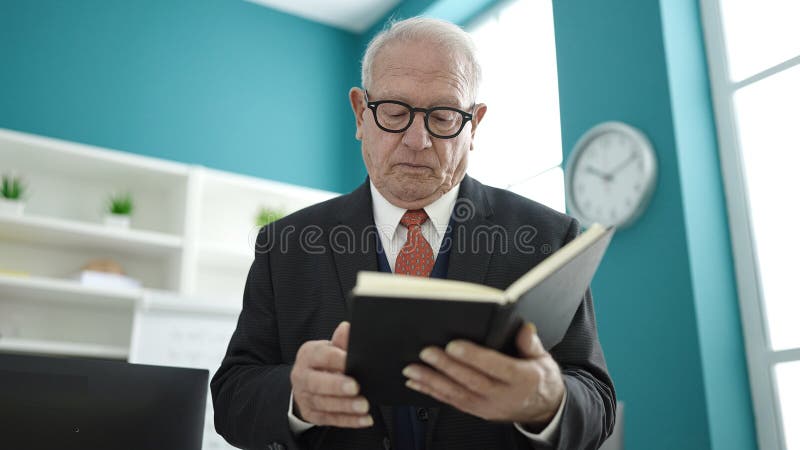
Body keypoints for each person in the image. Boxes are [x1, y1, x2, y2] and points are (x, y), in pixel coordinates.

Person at [211, 17, 615, 450]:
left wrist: (546, 402)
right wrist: (296, 397)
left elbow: (597, 400)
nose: (417, 139)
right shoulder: (284, 246)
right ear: (360, 114)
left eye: (443, 116)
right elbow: (232, 395)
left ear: (474, 125)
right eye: (395, 112)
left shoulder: (551, 238)